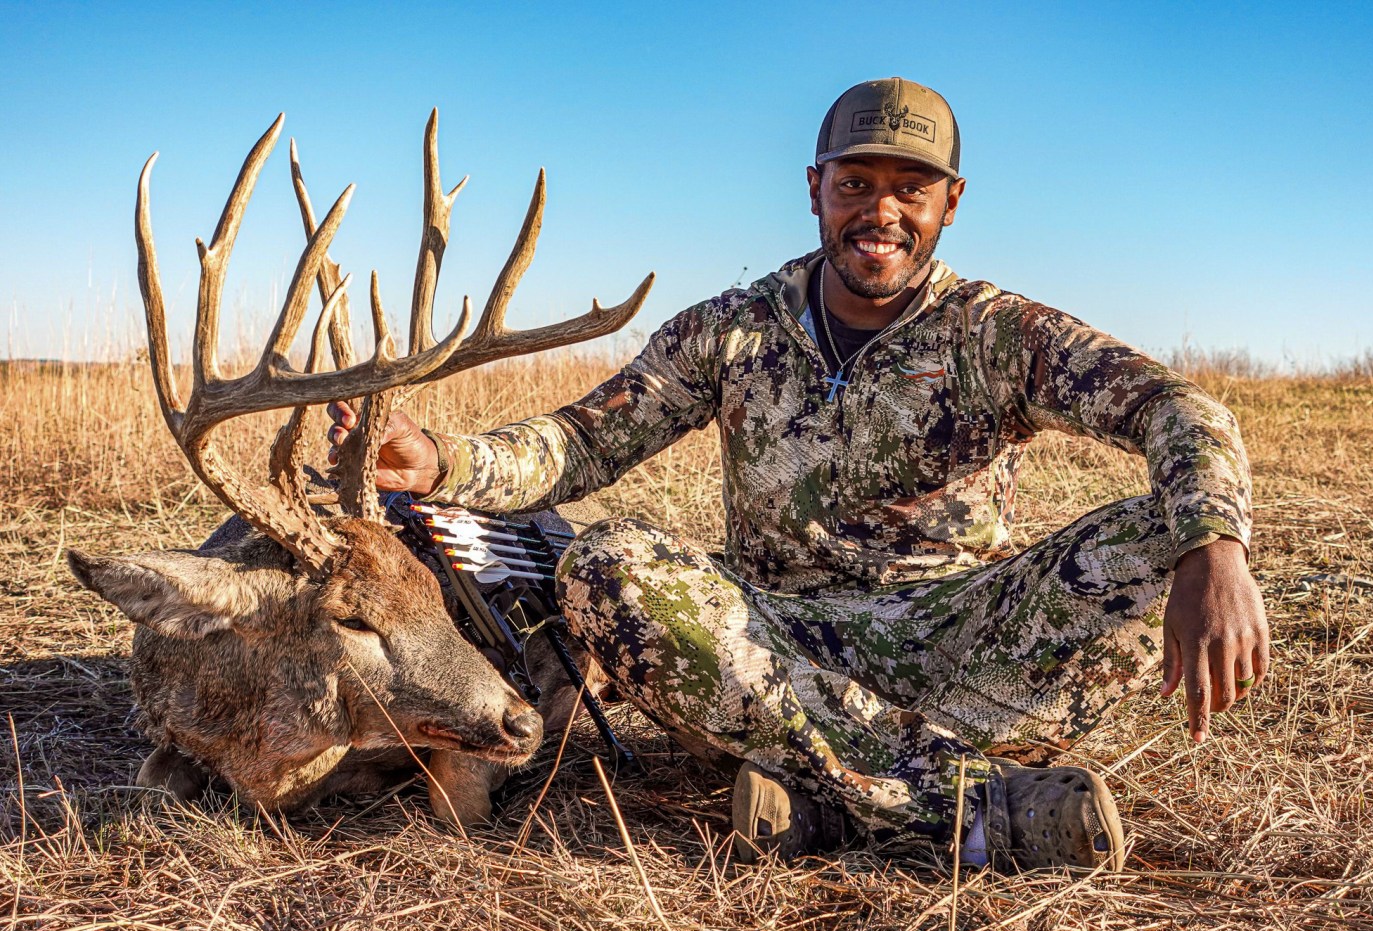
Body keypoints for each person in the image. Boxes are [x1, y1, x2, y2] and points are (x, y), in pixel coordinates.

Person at [328, 77, 1270, 871]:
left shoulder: (995, 331)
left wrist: (1216, 548)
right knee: (606, 564)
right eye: (855, 184)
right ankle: (969, 809)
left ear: (951, 202)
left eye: (910, 189)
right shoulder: (731, 328)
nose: (880, 213)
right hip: (769, 647)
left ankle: (825, 801)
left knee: (1167, 531)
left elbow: (1178, 408)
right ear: (816, 189)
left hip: (957, 649)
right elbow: (582, 443)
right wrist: (444, 461)